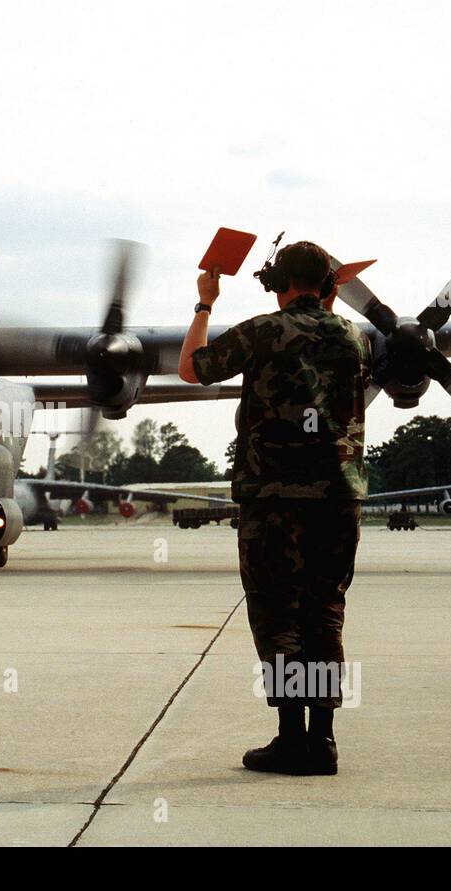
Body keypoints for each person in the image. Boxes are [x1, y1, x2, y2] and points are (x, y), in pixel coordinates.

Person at [178, 240, 370, 775]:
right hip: (338, 500)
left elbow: (193, 368)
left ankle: (291, 740)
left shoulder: (263, 331)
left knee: (278, 615)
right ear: (330, 286)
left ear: (278, 283)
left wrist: (205, 302)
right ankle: (323, 741)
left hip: (274, 500)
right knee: (325, 613)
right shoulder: (356, 338)